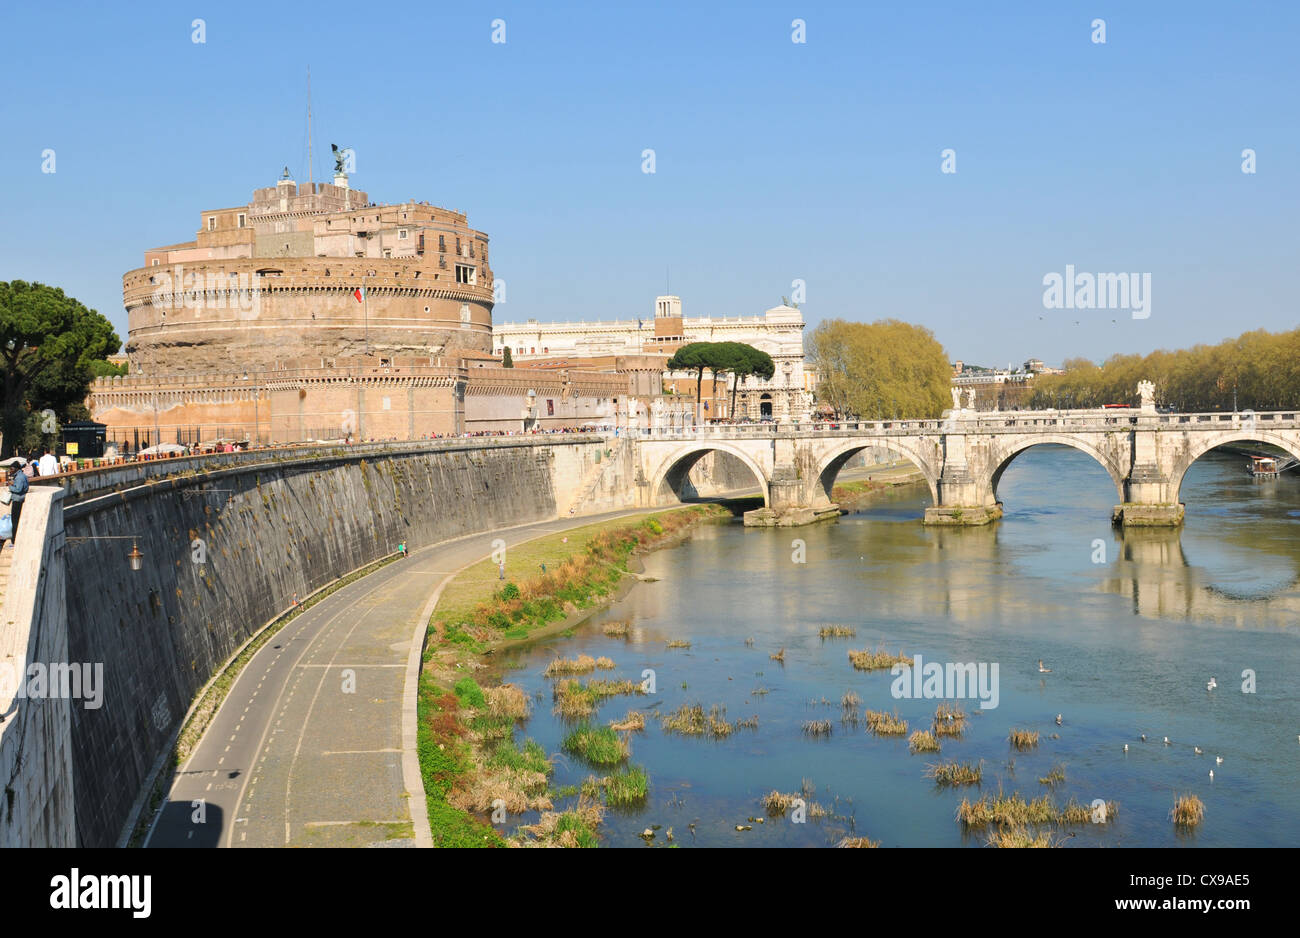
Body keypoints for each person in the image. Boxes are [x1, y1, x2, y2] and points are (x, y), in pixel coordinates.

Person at [8, 466, 28, 538]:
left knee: (15, 521)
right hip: (21, 499)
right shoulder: (22, 475)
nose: (10, 470)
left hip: (17, 500)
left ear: (16, 468)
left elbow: (18, 490)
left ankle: (14, 539)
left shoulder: (19, 477)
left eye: (12, 469)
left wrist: (10, 486)